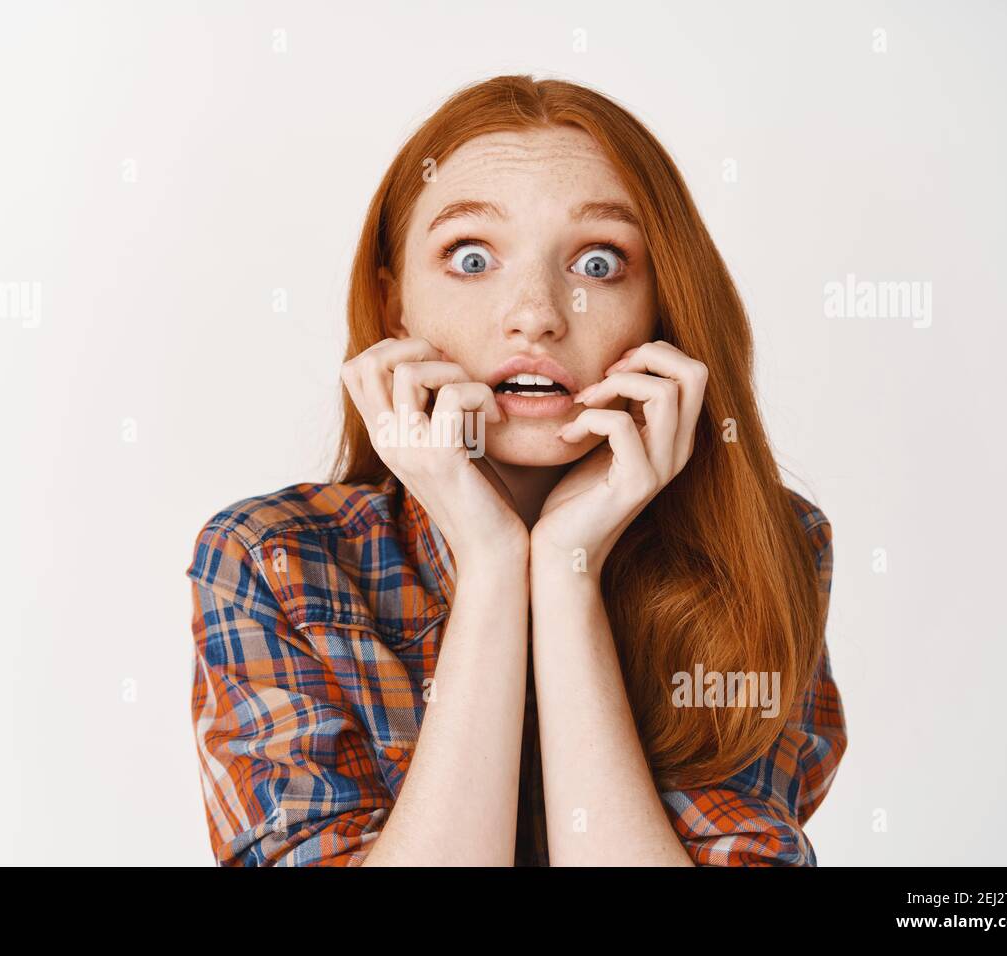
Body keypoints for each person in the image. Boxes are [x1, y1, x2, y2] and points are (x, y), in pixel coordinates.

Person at [187, 74, 846, 866]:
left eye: (598, 263)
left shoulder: (764, 548)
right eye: (472, 258)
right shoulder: (274, 559)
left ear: (661, 308)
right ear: (396, 308)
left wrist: (567, 572)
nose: (536, 313)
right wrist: (494, 563)